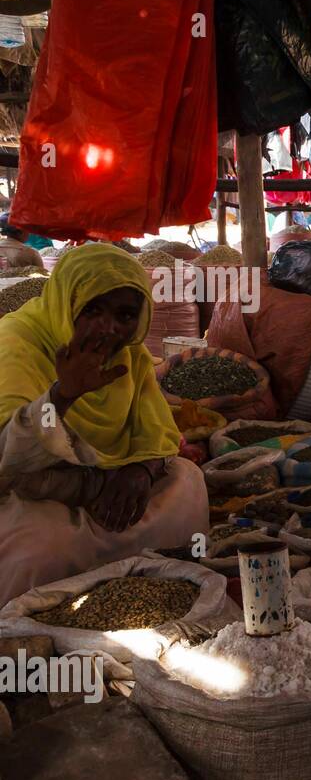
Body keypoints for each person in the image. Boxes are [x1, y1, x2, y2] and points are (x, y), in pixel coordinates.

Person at [0, 243, 207, 603]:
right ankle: (28, 626)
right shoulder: (17, 342)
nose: (108, 328)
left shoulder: (129, 355)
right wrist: (63, 395)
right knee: (42, 546)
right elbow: (8, 459)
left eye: (125, 316)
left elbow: (157, 430)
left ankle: (153, 588)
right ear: (66, 299)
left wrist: (141, 471)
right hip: (34, 493)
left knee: (187, 483)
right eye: (92, 309)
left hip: (113, 492)